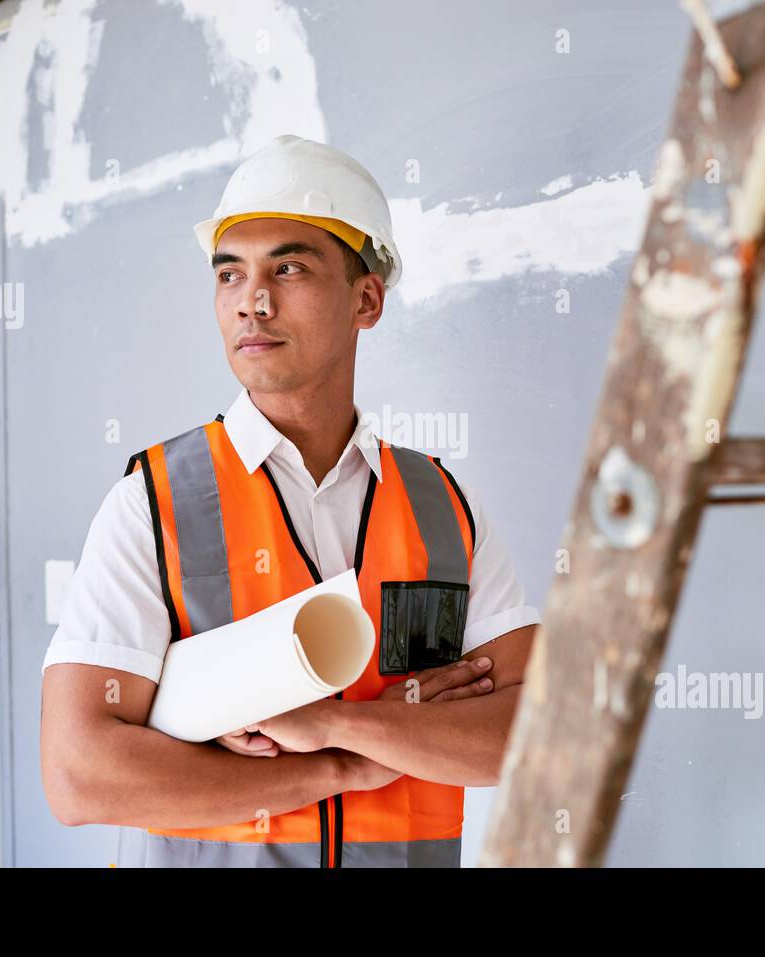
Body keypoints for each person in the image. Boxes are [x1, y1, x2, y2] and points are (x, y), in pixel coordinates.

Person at [39, 135, 540, 867]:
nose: (253, 301)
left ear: (366, 299)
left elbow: (540, 735)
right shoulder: (152, 502)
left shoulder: (442, 505)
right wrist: (339, 768)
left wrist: (336, 724)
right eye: (230, 274)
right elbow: (78, 775)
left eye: (289, 267)